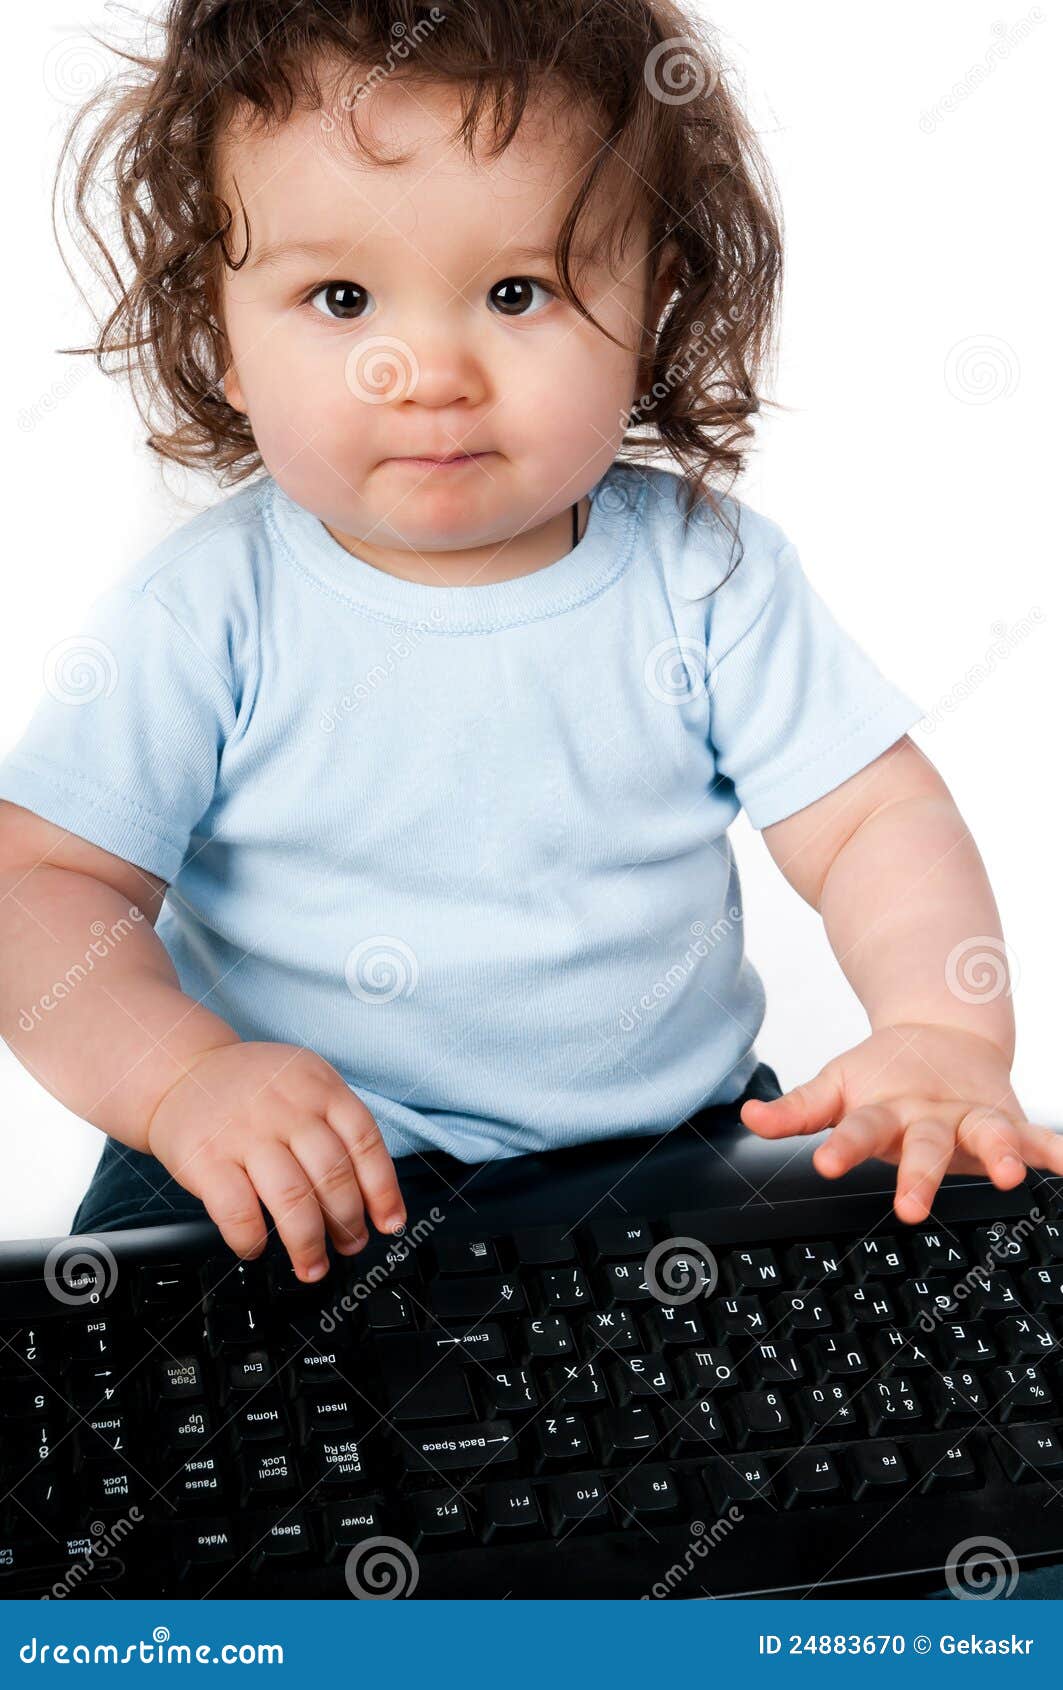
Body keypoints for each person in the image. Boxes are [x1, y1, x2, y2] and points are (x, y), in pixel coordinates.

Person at [0, 0, 1058, 1599]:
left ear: (659, 297)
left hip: (666, 1149)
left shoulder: (700, 574)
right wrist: (181, 1080)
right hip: (284, 1176)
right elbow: (43, 886)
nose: (424, 368)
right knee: (160, 1510)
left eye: (518, 290)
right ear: (217, 315)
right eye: (339, 293)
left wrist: (937, 1030)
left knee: (840, 1461)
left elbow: (869, 820)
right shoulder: (210, 609)